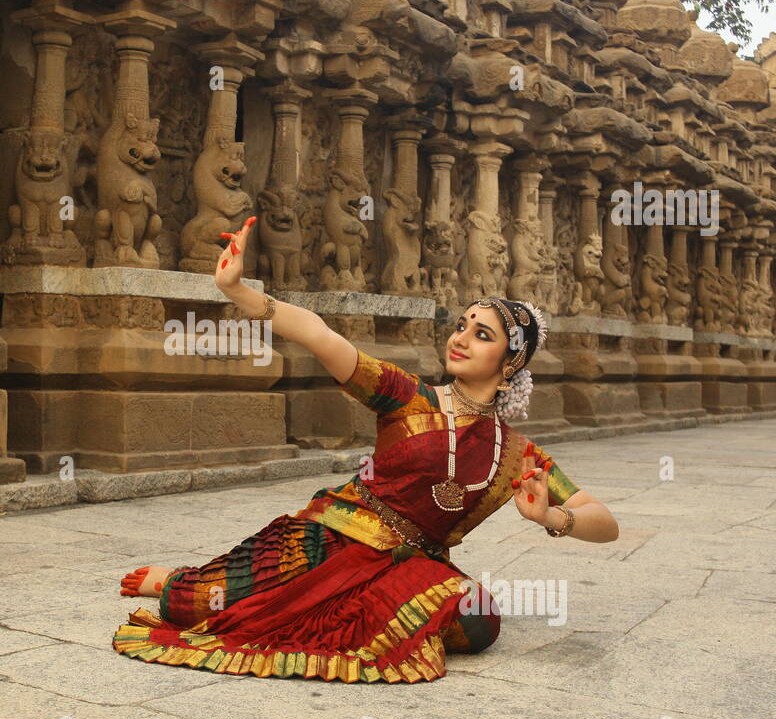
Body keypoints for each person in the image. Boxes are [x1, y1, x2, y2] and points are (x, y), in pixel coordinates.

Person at [112, 216, 619, 683]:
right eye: (461, 325)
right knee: (193, 605)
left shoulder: (512, 454)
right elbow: (321, 336)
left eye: (481, 334)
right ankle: (177, 579)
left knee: (478, 619)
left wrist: (553, 518)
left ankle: (358, 610)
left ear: (509, 365)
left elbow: (604, 522)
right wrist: (239, 291)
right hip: (329, 541)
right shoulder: (407, 395)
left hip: (409, 564)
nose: (461, 338)